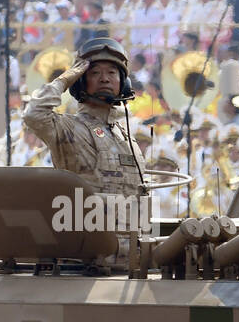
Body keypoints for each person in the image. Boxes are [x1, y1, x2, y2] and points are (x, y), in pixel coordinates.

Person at [22, 37, 148, 204]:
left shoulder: (126, 138)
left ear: (124, 83)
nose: (104, 79)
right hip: (80, 227)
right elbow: (33, 114)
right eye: (95, 73)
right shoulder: (67, 128)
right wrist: (64, 80)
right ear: (80, 82)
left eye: (112, 72)